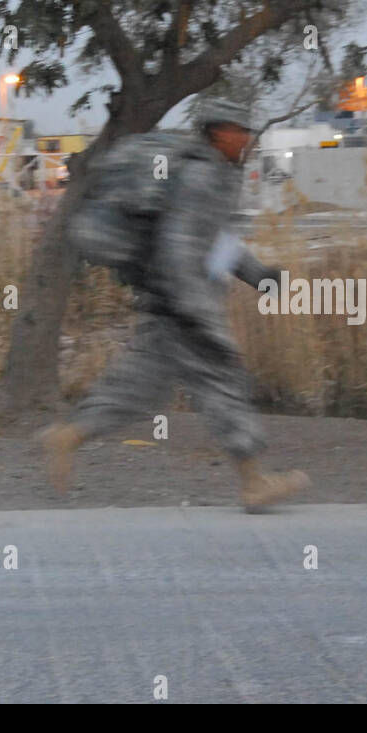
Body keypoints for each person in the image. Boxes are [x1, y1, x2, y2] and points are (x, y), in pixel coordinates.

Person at [38, 99, 310, 512]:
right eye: (240, 130)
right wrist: (198, 313)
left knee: (136, 387)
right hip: (182, 307)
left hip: (167, 303)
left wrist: (258, 276)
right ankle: (254, 483)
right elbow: (179, 247)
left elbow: (214, 241)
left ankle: (70, 433)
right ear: (218, 133)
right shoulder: (203, 176)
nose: (248, 139)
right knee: (223, 384)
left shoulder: (211, 172)